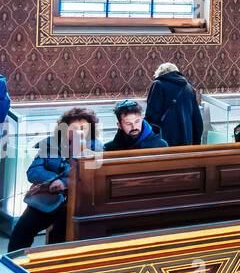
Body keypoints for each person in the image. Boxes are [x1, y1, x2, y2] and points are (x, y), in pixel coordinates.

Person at [8, 108, 101, 252]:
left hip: (75, 202)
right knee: (21, 231)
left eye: (83, 128)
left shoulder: (97, 147)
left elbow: (90, 177)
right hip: (46, 199)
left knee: (59, 237)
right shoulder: (50, 143)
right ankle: (12, 266)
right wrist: (52, 181)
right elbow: (33, 171)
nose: (79, 132)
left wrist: (64, 183)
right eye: (74, 128)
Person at [144, 62, 204, 147]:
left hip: (165, 140)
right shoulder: (189, 87)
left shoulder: (158, 84)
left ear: (159, 73)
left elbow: (152, 116)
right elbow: (197, 120)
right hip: (187, 140)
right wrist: (196, 143)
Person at [104, 99, 169, 151]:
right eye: (128, 123)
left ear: (142, 119)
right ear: (119, 126)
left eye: (137, 122)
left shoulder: (160, 146)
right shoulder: (110, 149)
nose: (134, 127)